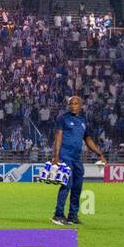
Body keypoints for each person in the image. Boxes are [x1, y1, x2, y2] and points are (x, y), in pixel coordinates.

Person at [50, 95, 106, 226]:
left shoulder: (83, 121)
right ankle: (58, 215)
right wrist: (56, 156)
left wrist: (100, 154)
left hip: (76, 157)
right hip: (65, 155)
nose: (73, 106)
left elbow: (88, 140)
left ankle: (72, 215)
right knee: (67, 184)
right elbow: (58, 137)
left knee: (77, 186)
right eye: (71, 104)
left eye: (76, 104)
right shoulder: (62, 118)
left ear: (80, 106)